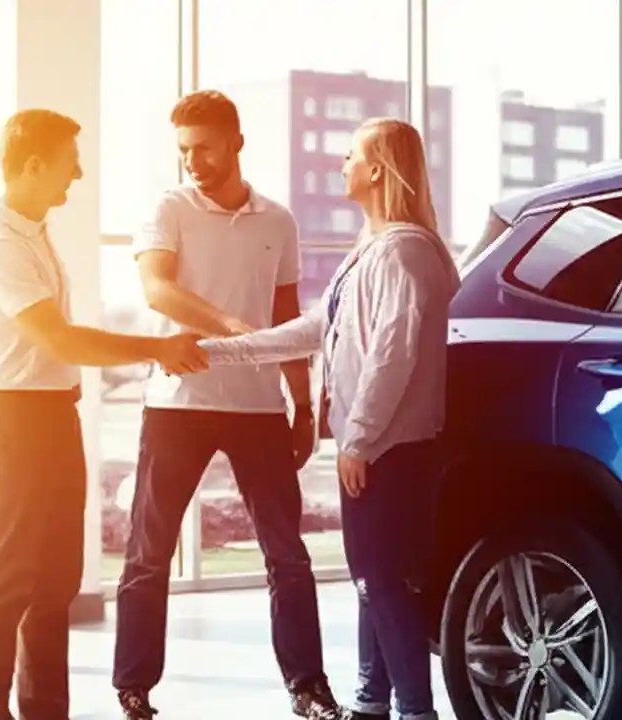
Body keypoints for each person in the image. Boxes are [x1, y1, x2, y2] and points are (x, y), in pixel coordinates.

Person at [201, 117, 461, 720]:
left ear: (378, 171)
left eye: (350, 156)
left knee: (381, 582)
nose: (342, 165)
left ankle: (415, 711)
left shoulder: (404, 252)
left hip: (392, 450)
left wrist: (359, 439)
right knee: (375, 580)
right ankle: (371, 701)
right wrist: (217, 351)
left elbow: (392, 355)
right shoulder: (371, 251)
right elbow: (314, 330)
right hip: (380, 446)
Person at [0, 108, 207, 720]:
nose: (78, 173)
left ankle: (46, 712)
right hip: (12, 422)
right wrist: (157, 349)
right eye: (69, 162)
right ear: (34, 164)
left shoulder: (33, 232)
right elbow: (62, 340)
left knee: (54, 580)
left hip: (51, 418)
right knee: (6, 578)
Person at [112, 90, 342, 720]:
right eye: (184, 150)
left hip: (258, 408)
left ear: (237, 141)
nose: (193, 161)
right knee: (149, 552)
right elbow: (157, 290)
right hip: (177, 403)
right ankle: (133, 688)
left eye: (204, 147)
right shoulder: (168, 209)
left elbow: (287, 317)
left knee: (287, 555)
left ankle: (308, 688)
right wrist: (229, 326)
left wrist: (302, 402)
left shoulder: (278, 222)